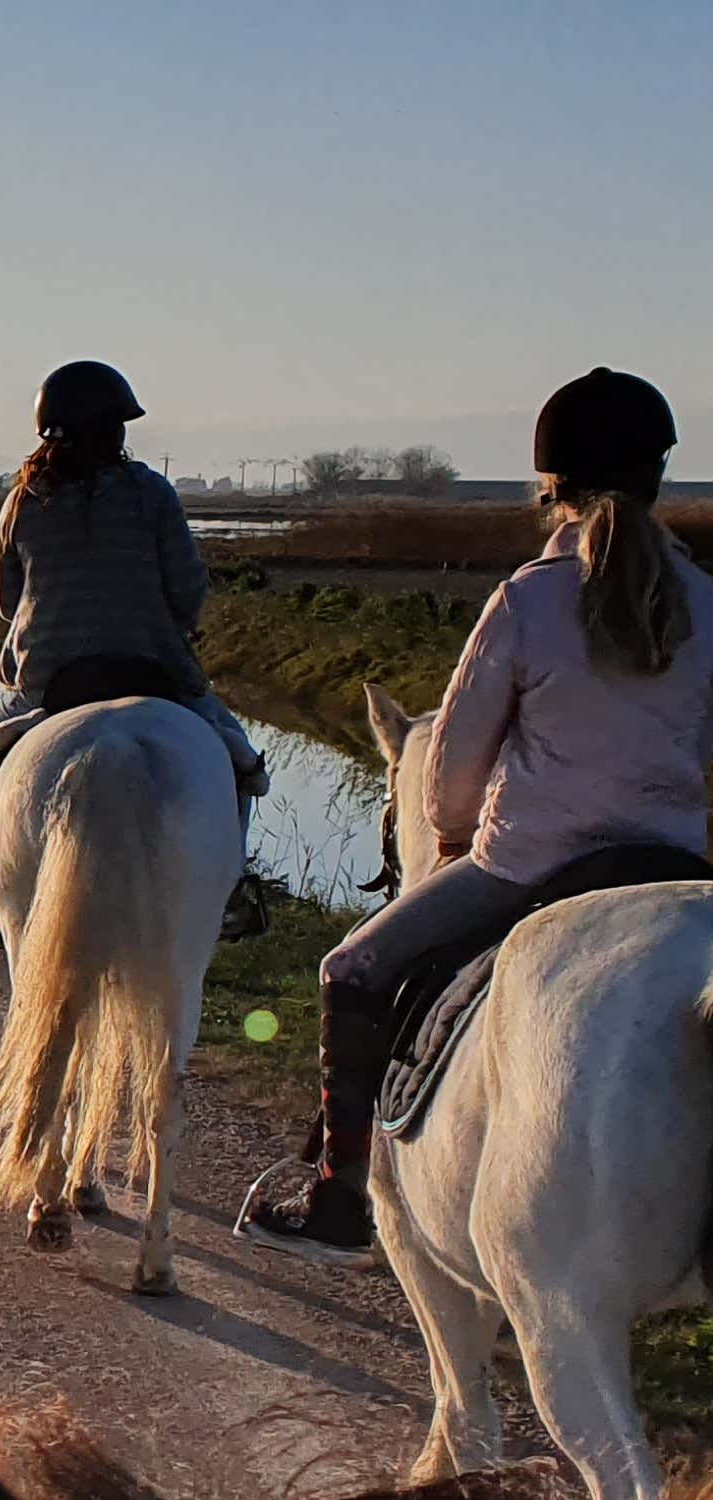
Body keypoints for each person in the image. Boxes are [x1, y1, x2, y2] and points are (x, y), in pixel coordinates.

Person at [241, 367, 713, 1266]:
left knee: (352, 968)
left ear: (550, 486)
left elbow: (454, 765)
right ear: (659, 476)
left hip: (530, 865)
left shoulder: (528, 599)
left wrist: (454, 839)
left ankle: (340, 1200)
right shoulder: (708, 603)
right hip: (677, 869)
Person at [0, 361, 270, 951]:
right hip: (157, 670)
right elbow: (187, 590)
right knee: (240, 764)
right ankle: (233, 893)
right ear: (114, 430)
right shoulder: (152, 492)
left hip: (47, 681)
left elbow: (6, 602)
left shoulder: (22, 501)